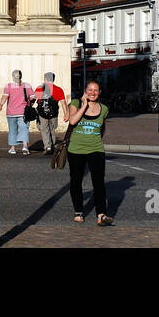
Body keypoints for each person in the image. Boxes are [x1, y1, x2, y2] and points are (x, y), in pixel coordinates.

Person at [65, 80, 113, 225]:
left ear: (99, 93)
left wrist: (96, 140)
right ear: (85, 91)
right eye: (90, 90)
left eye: (96, 90)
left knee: (99, 182)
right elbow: (72, 121)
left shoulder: (104, 109)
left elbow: (102, 128)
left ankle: (101, 214)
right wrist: (84, 105)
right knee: (76, 180)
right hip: (76, 149)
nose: (92, 93)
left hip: (96, 148)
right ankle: (78, 211)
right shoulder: (75, 103)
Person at [0, 69, 32, 154]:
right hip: (23, 112)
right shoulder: (26, 85)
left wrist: (1, 105)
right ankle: (25, 147)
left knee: (12, 130)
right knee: (24, 129)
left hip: (11, 112)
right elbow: (32, 97)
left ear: (13, 77)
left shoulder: (8, 86)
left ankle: (13, 148)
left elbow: (5, 97)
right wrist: (28, 103)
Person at [34, 71, 67, 154]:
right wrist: (66, 114)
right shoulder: (59, 89)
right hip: (54, 113)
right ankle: (52, 145)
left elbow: (35, 99)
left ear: (45, 79)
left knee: (44, 129)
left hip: (42, 113)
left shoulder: (40, 88)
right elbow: (63, 103)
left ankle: (48, 147)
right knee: (52, 128)